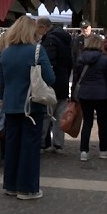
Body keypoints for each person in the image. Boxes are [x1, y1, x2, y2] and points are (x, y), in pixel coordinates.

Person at [0, 16, 55, 199]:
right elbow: (50, 78)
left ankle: (10, 185)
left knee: (12, 145)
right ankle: (27, 188)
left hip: (11, 104)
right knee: (29, 147)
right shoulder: (36, 51)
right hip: (32, 105)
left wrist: (2, 99)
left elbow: (2, 82)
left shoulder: (5, 52)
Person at [72, 33, 107, 161]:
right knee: (103, 122)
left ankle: (84, 151)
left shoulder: (81, 58)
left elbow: (76, 78)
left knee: (87, 122)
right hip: (101, 94)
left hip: (84, 94)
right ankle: (103, 150)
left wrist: (73, 95)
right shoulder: (105, 59)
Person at [39, 13, 74, 153]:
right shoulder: (65, 39)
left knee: (47, 114)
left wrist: (45, 80)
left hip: (52, 83)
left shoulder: (50, 40)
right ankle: (58, 144)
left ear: (43, 27)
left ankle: (42, 144)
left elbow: (48, 63)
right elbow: (69, 62)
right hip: (63, 82)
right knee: (60, 115)